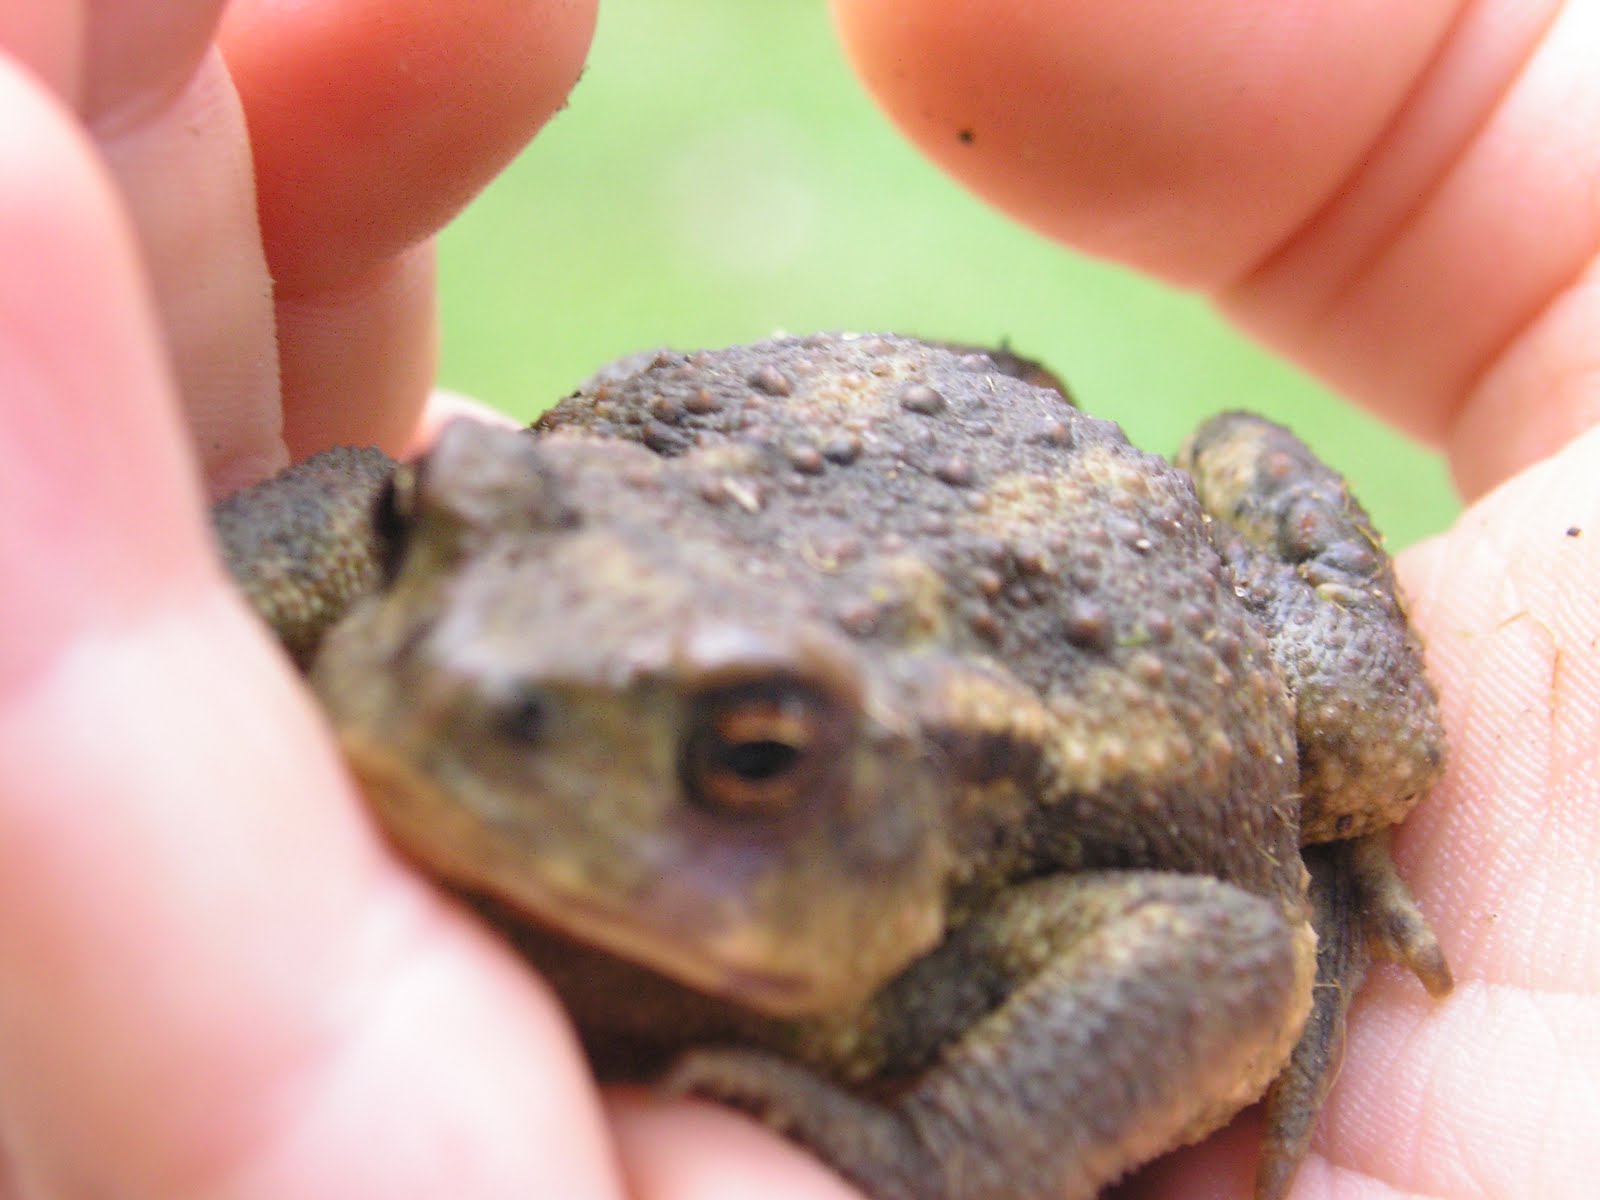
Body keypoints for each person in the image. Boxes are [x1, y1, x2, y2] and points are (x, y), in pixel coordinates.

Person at [0, 2, 1591, 1196]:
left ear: (828, 783)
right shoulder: (475, 584)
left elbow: (1223, 954)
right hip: (750, 468)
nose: (470, 682)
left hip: (1073, 607)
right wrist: (212, 616)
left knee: (1367, 733)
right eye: (430, 558)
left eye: (744, 756)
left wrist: (946, 1144)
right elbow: (369, 504)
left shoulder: (970, 896)